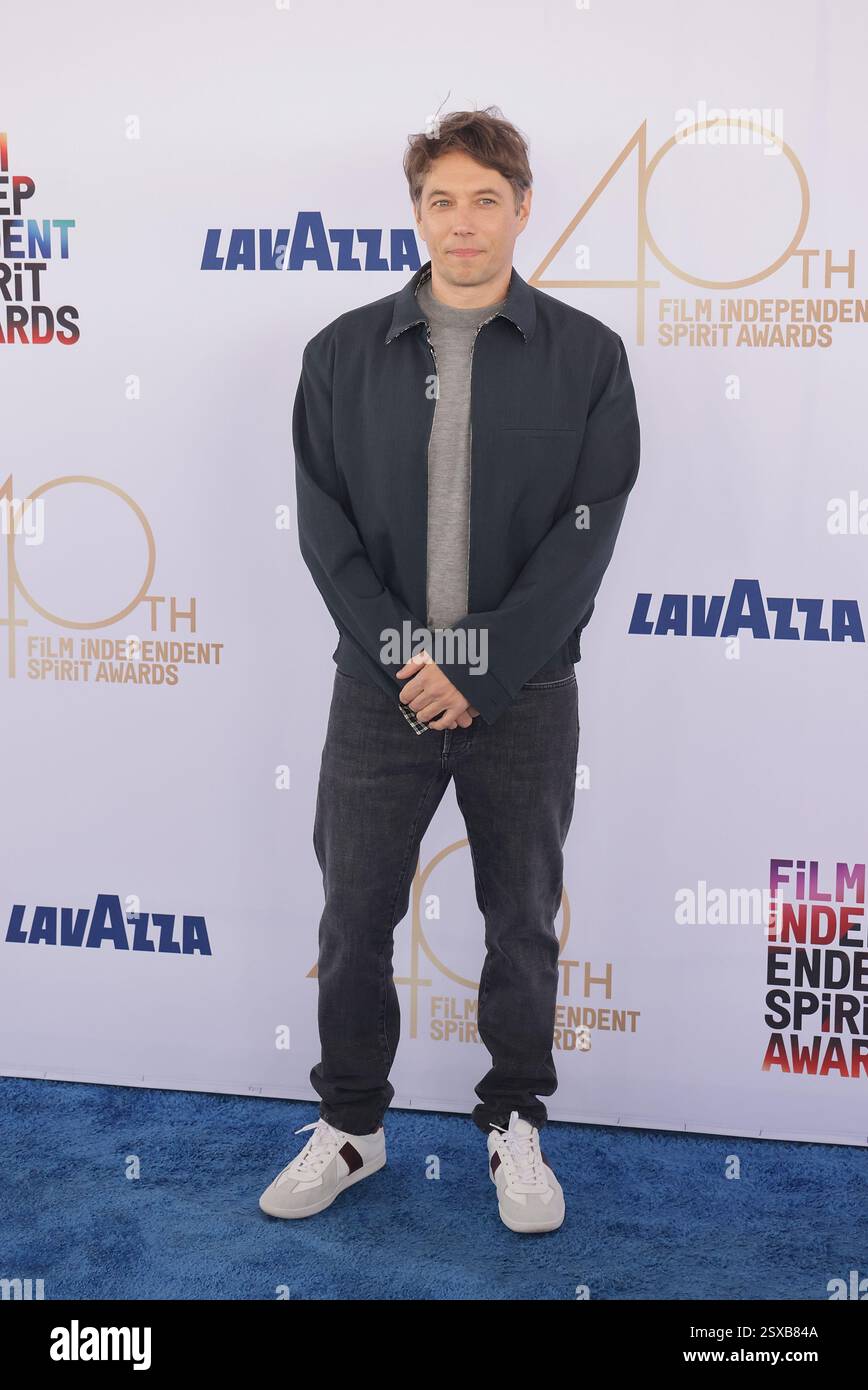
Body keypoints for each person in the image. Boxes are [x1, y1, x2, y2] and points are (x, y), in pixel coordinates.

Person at [259, 106, 641, 1234]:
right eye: (442, 200)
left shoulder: (586, 357)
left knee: (520, 918)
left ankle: (513, 1120)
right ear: (416, 211)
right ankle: (350, 1127)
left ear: (523, 209)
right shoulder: (340, 352)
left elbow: (586, 537)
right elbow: (324, 532)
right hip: (379, 692)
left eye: (486, 199)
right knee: (352, 917)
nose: (463, 222)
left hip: (521, 690)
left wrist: (475, 666)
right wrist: (406, 661)